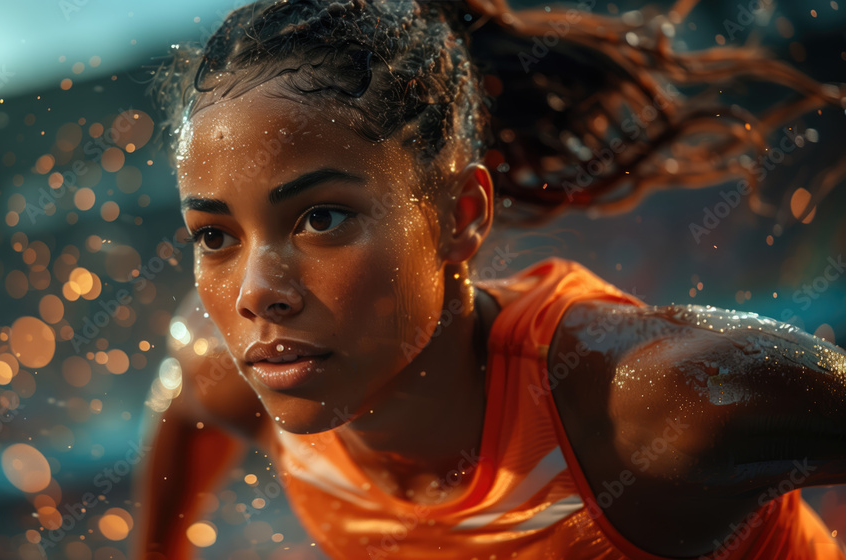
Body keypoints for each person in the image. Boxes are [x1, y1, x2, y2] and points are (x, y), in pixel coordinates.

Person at [135, 0, 846, 558]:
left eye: (320, 218)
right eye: (215, 236)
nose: (255, 292)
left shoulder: (662, 411)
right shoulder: (238, 365)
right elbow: (185, 401)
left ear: (461, 216)